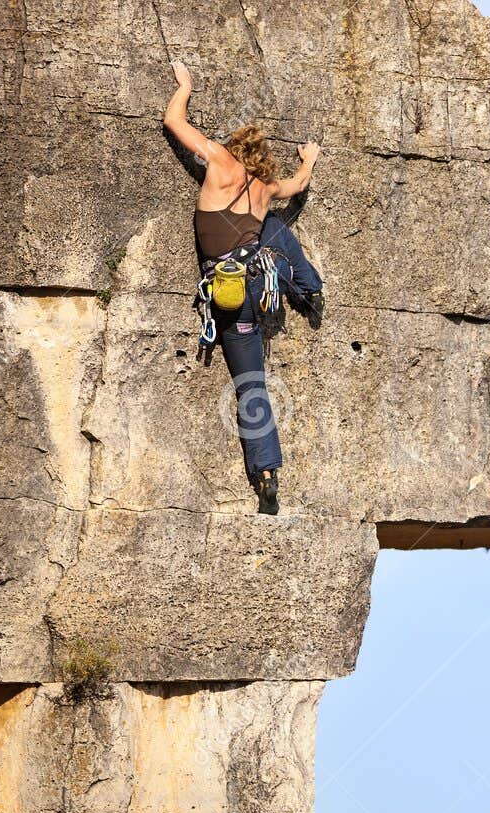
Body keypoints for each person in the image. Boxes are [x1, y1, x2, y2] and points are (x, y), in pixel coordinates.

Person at [162, 61, 325, 515]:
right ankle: (309, 290)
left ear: (233, 145)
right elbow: (297, 185)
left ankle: (265, 471)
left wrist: (185, 86)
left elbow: (173, 121)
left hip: (228, 291)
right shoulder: (267, 187)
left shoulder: (217, 159)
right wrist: (308, 161)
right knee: (274, 227)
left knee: (249, 384)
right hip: (262, 284)